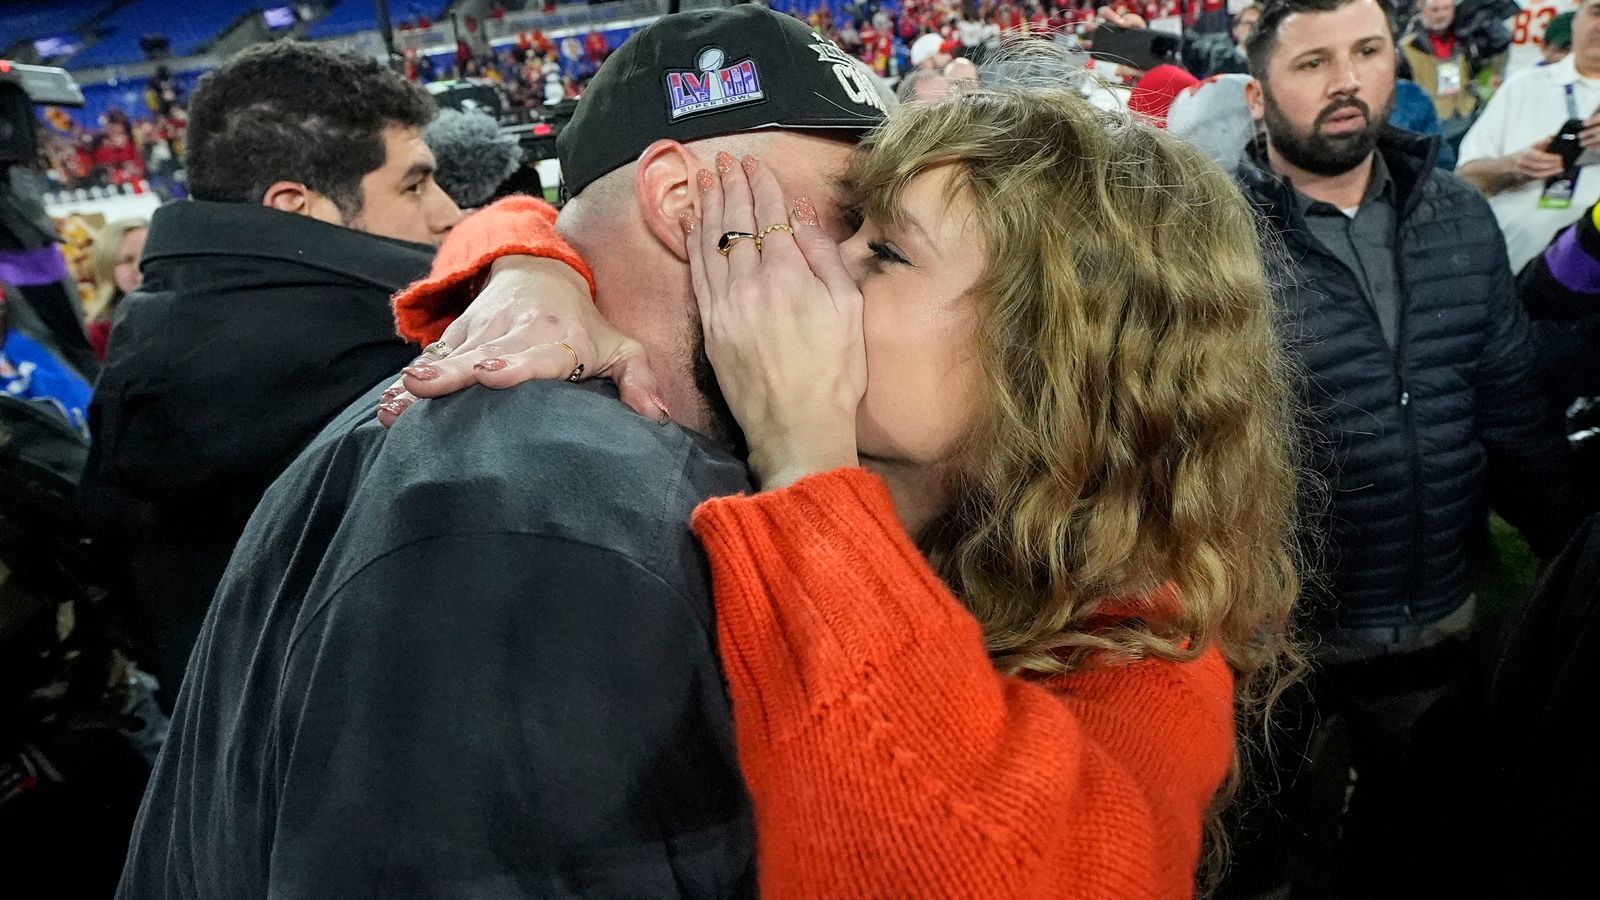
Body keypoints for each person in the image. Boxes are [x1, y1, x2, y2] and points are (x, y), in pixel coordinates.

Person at [383, 56, 1304, 900]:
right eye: (844, 228)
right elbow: (571, 210)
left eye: (884, 252)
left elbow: (962, 868)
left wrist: (807, 458)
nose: (817, 265)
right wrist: (531, 265)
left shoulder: (1148, 644)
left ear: (1052, 354)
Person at [116, 7, 891, 896]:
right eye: (851, 213)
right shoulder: (553, 513)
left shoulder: (536, 447)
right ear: (685, 205)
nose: (867, 258)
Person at [1234, 0, 1575, 893]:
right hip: (1278, 646)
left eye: (1368, 51)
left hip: (1436, 622)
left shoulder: (1459, 217)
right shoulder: (1214, 245)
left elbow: (1512, 409)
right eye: (1311, 63)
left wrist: (1565, 544)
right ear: (1257, 95)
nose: (1346, 80)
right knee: (1264, 849)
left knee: (1424, 845)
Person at [83, 41, 463, 708]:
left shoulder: (148, 336)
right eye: (414, 183)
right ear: (296, 206)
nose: (448, 212)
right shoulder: (374, 360)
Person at [1458, 0, 1600, 273]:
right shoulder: (1523, 87)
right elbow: (1467, 179)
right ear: (1575, 19)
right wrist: (1514, 166)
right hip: (1512, 269)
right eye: (1597, 12)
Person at [84, 218, 146, 361]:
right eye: (128, 260)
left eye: (148, 254)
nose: (141, 266)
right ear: (108, 269)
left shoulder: (192, 313)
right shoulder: (99, 336)